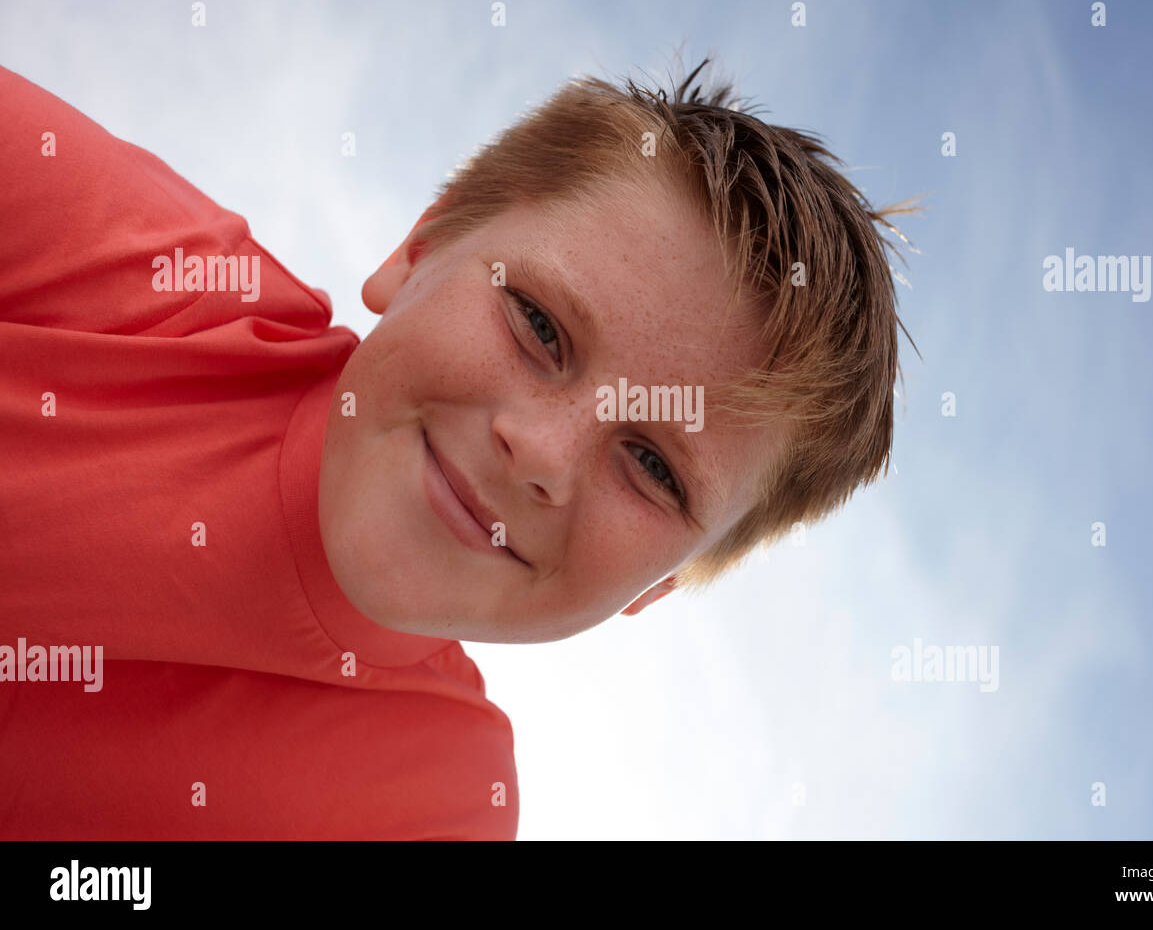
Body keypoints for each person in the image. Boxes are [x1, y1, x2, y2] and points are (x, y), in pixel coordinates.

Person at [0, 58, 916, 839]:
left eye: (654, 467)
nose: (543, 455)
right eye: (538, 326)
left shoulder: (435, 811)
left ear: (665, 580)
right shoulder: (100, 249)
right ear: (419, 246)